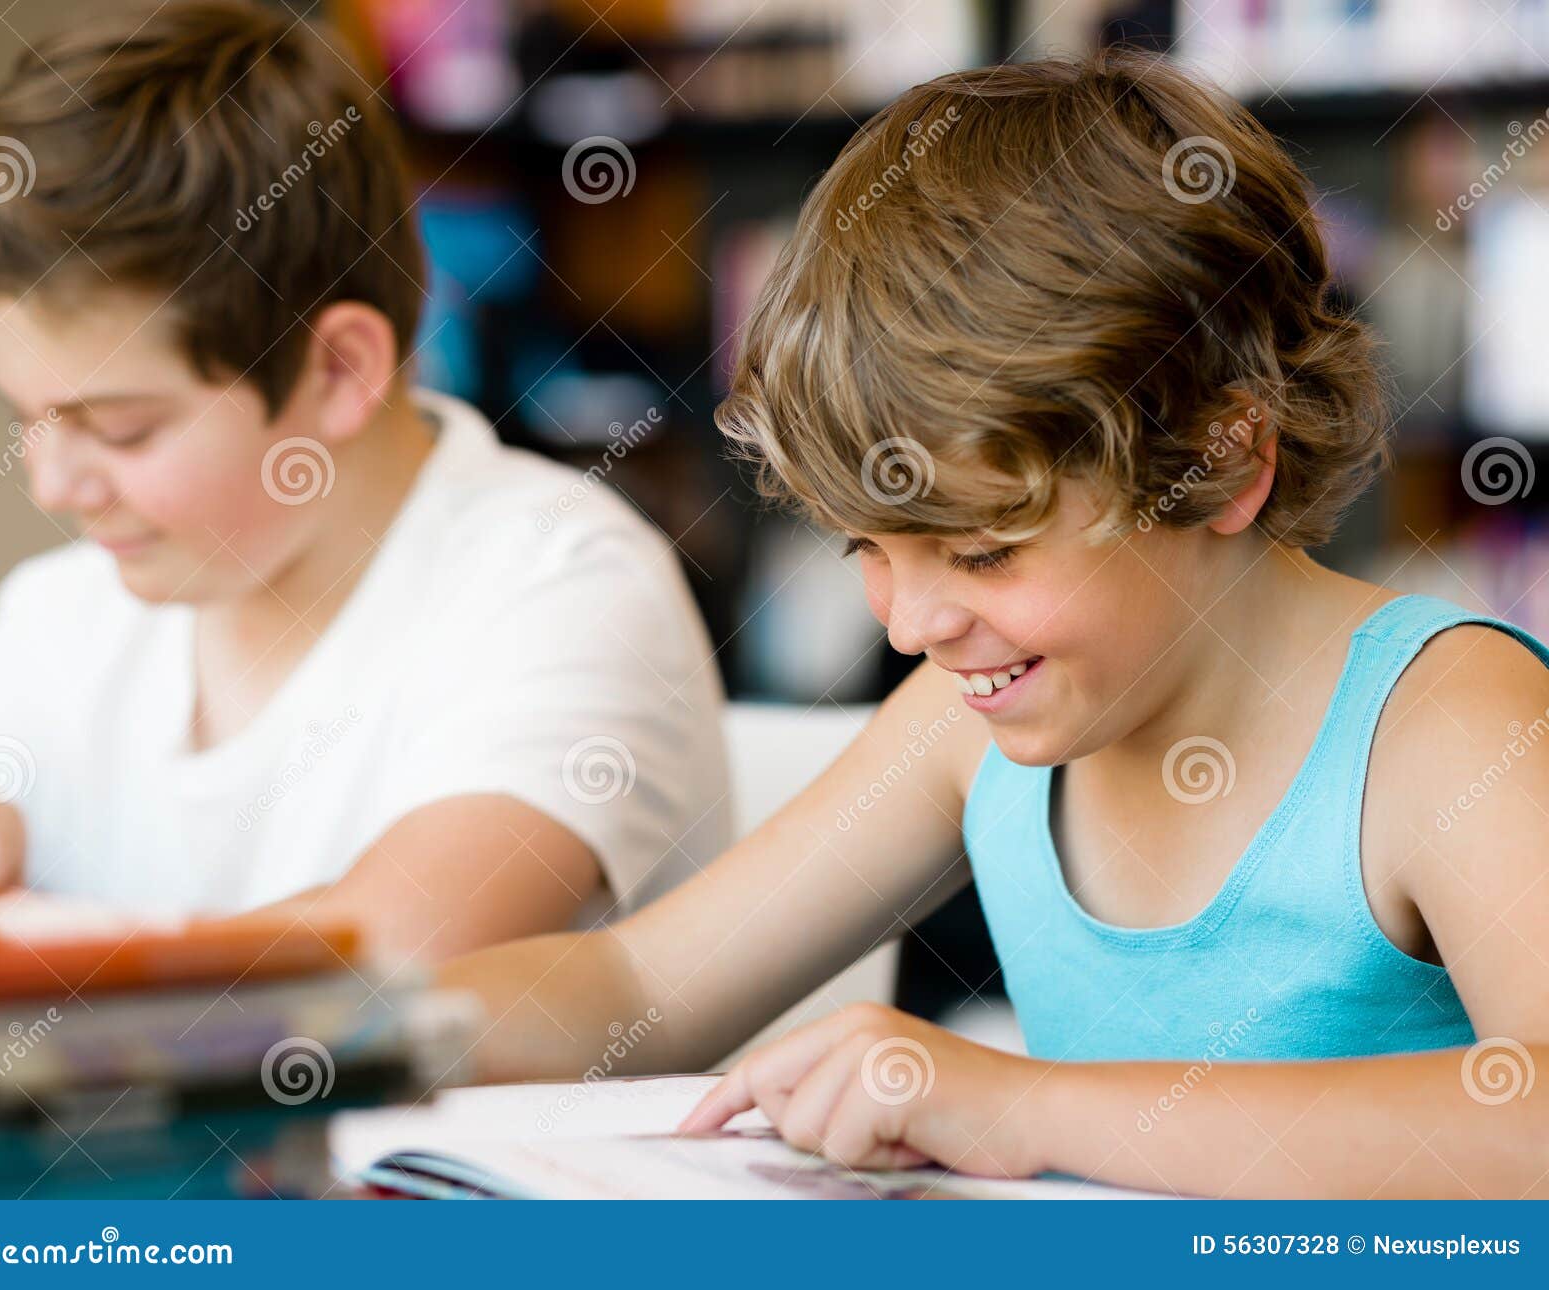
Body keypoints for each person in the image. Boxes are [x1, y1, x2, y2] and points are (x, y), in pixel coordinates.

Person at [438, 50, 1548, 1198]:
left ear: (1222, 467)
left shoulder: (1447, 724)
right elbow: (636, 992)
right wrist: (324, 1035)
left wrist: (1027, 1104)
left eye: (982, 552)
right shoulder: (963, 734)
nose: (913, 623)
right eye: (865, 547)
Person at [0, 0, 730, 961]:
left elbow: (377, 967)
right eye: (28, 418)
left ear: (339, 371)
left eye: (120, 426)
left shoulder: (565, 588)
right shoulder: (56, 626)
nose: (54, 485)